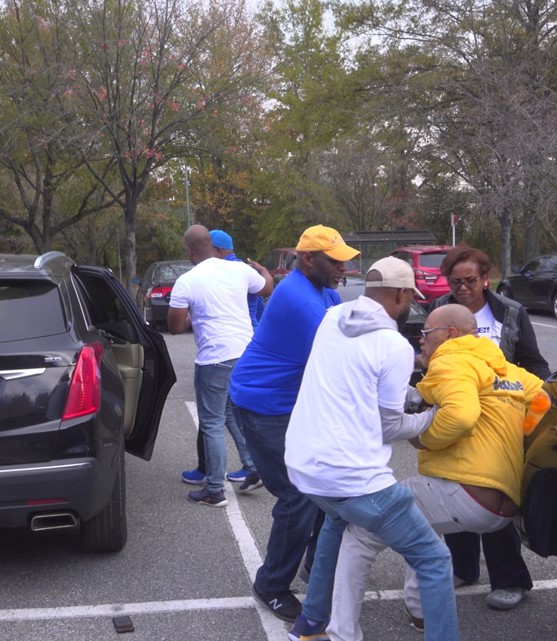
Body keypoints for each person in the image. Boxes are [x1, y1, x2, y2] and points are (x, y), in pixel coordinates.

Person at [329, 304, 546, 639]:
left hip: (467, 491)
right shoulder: (507, 370)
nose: (421, 340)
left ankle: (341, 631)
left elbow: (460, 415)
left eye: (426, 333)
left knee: (361, 530)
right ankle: (420, 612)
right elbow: (545, 400)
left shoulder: (451, 360)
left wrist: (424, 439)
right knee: (422, 526)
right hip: (503, 505)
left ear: (450, 334)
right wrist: (518, 436)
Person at [285, 257, 457, 641]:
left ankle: (311, 622)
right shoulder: (394, 345)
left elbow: (356, 379)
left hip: (304, 466)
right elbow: (389, 426)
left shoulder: (332, 318)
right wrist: (433, 417)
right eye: (410, 297)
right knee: (433, 559)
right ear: (401, 294)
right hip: (355, 479)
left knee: (336, 520)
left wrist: (411, 395)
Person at [229, 224, 358, 622]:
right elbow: (340, 359)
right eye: (335, 261)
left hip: (292, 404)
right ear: (308, 259)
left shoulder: (323, 290)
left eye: (344, 261)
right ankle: (271, 586)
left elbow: (349, 330)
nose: (343, 269)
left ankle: (315, 564)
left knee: (321, 485)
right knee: (297, 494)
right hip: (263, 405)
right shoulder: (297, 299)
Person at [429, 244, 550, 611]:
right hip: (456, 413)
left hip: (499, 421)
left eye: (469, 280)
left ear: (485, 279)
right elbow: (427, 359)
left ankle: (510, 578)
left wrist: (531, 404)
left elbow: (533, 363)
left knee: (495, 494)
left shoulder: (510, 313)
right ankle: (463, 568)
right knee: (453, 491)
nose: (462, 288)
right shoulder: (439, 310)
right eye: (455, 282)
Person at [168, 225, 273, 507]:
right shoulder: (239, 269)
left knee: (212, 422)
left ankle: (214, 489)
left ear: (189, 251)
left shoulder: (187, 280)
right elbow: (266, 287)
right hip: (246, 355)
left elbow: (175, 327)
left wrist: (192, 316)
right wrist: (264, 271)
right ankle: (252, 467)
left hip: (215, 358)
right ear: (212, 247)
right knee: (228, 414)